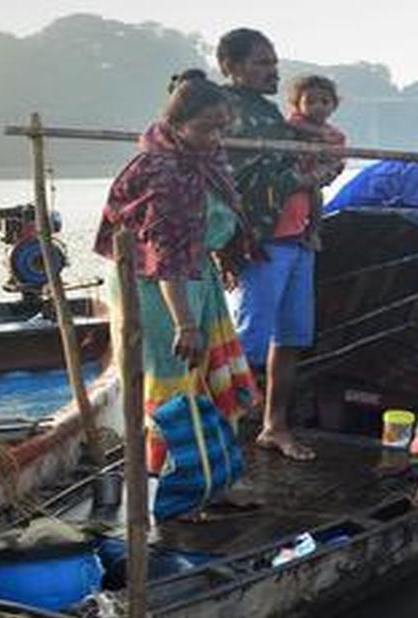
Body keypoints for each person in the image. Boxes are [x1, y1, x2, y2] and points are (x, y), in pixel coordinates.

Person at [94, 69, 259, 474]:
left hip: (195, 274)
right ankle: (169, 477)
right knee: (172, 377)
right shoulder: (164, 172)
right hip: (156, 287)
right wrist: (184, 324)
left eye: (222, 128)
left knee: (203, 375)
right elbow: (165, 257)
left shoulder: (203, 158)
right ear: (175, 125)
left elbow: (211, 224)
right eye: (206, 129)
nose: (216, 138)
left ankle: (206, 473)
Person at [217, 28, 335, 460]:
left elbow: (291, 162)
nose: (273, 71)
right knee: (247, 342)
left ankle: (274, 425)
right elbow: (238, 178)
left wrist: (316, 174)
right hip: (263, 242)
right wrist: (306, 177)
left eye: (274, 62)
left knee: (290, 338)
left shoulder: (267, 114)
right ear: (230, 65)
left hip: (298, 239)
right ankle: (218, 434)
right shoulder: (226, 112)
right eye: (262, 63)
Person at [279, 74, 347, 249]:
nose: (318, 107)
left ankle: (313, 231)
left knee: (317, 196)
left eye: (325, 102)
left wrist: (333, 166)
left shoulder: (335, 134)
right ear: (297, 105)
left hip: (316, 175)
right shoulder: (295, 123)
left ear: (334, 105)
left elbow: (338, 154)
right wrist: (319, 134)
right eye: (310, 102)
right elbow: (291, 125)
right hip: (297, 170)